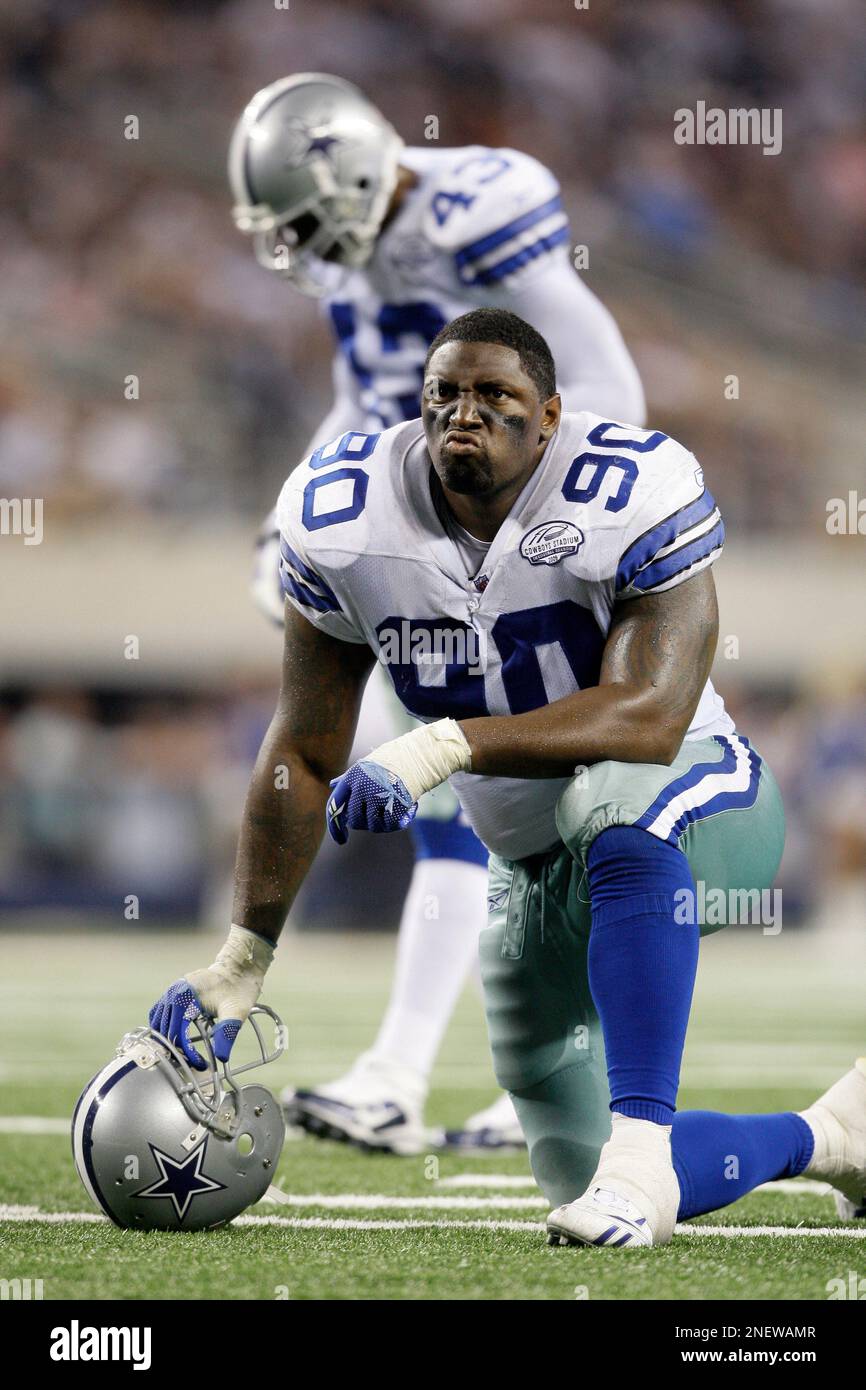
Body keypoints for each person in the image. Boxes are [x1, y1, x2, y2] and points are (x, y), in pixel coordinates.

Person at [150, 309, 865, 1248]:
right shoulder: (345, 515)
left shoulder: (630, 487)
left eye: (495, 395)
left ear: (551, 416)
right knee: (575, 1167)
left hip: (701, 801)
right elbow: (302, 750)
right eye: (445, 393)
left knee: (610, 799)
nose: (464, 413)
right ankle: (832, 1137)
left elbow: (648, 716)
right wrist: (244, 957)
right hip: (529, 867)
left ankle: (645, 1144)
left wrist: (443, 745)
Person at [233, 71, 645, 1151]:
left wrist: (531, 521)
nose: (311, 246)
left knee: (528, 795)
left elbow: (594, 380)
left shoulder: (482, 208)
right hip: (438, 522)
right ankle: (426, 1074)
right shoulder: (353, 256)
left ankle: (477, 1073)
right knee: (452, 792)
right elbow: (364, 392)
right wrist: (306, 500)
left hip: (534, 513)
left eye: (314, 217)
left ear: (361, 171)